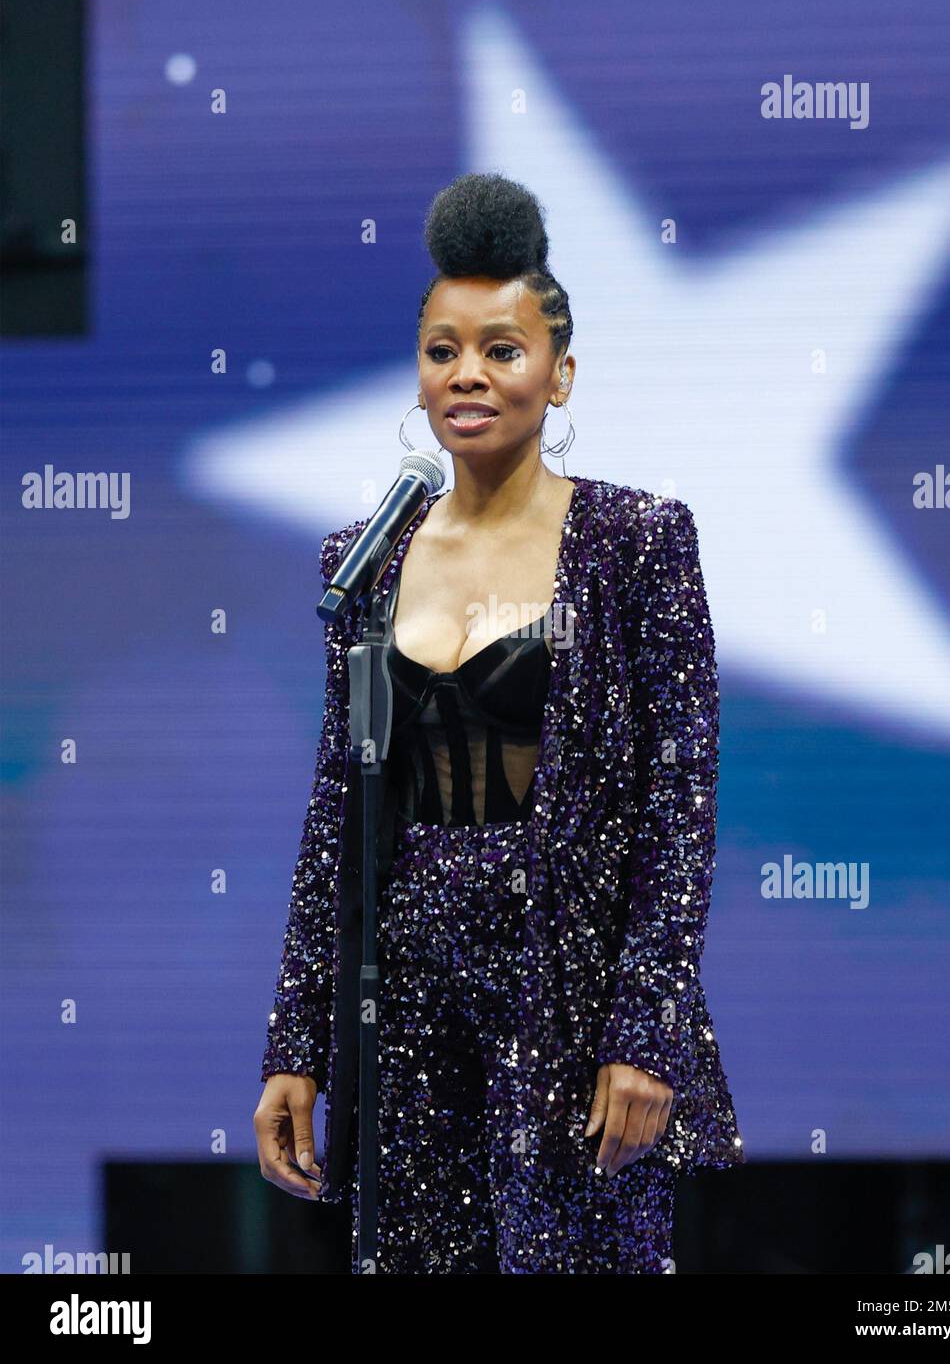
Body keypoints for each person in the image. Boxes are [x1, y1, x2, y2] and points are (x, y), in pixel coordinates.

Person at [254, 172, 744, 1274]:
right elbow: (338, 805)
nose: (467, 373)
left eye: (501, 348)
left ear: (558, 372)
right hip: (408, 995)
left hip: (564, 991)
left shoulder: (635, 543)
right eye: (441, 349)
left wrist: (643, 1032)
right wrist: (298, 1044)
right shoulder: (362, 559)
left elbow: (680, 799)